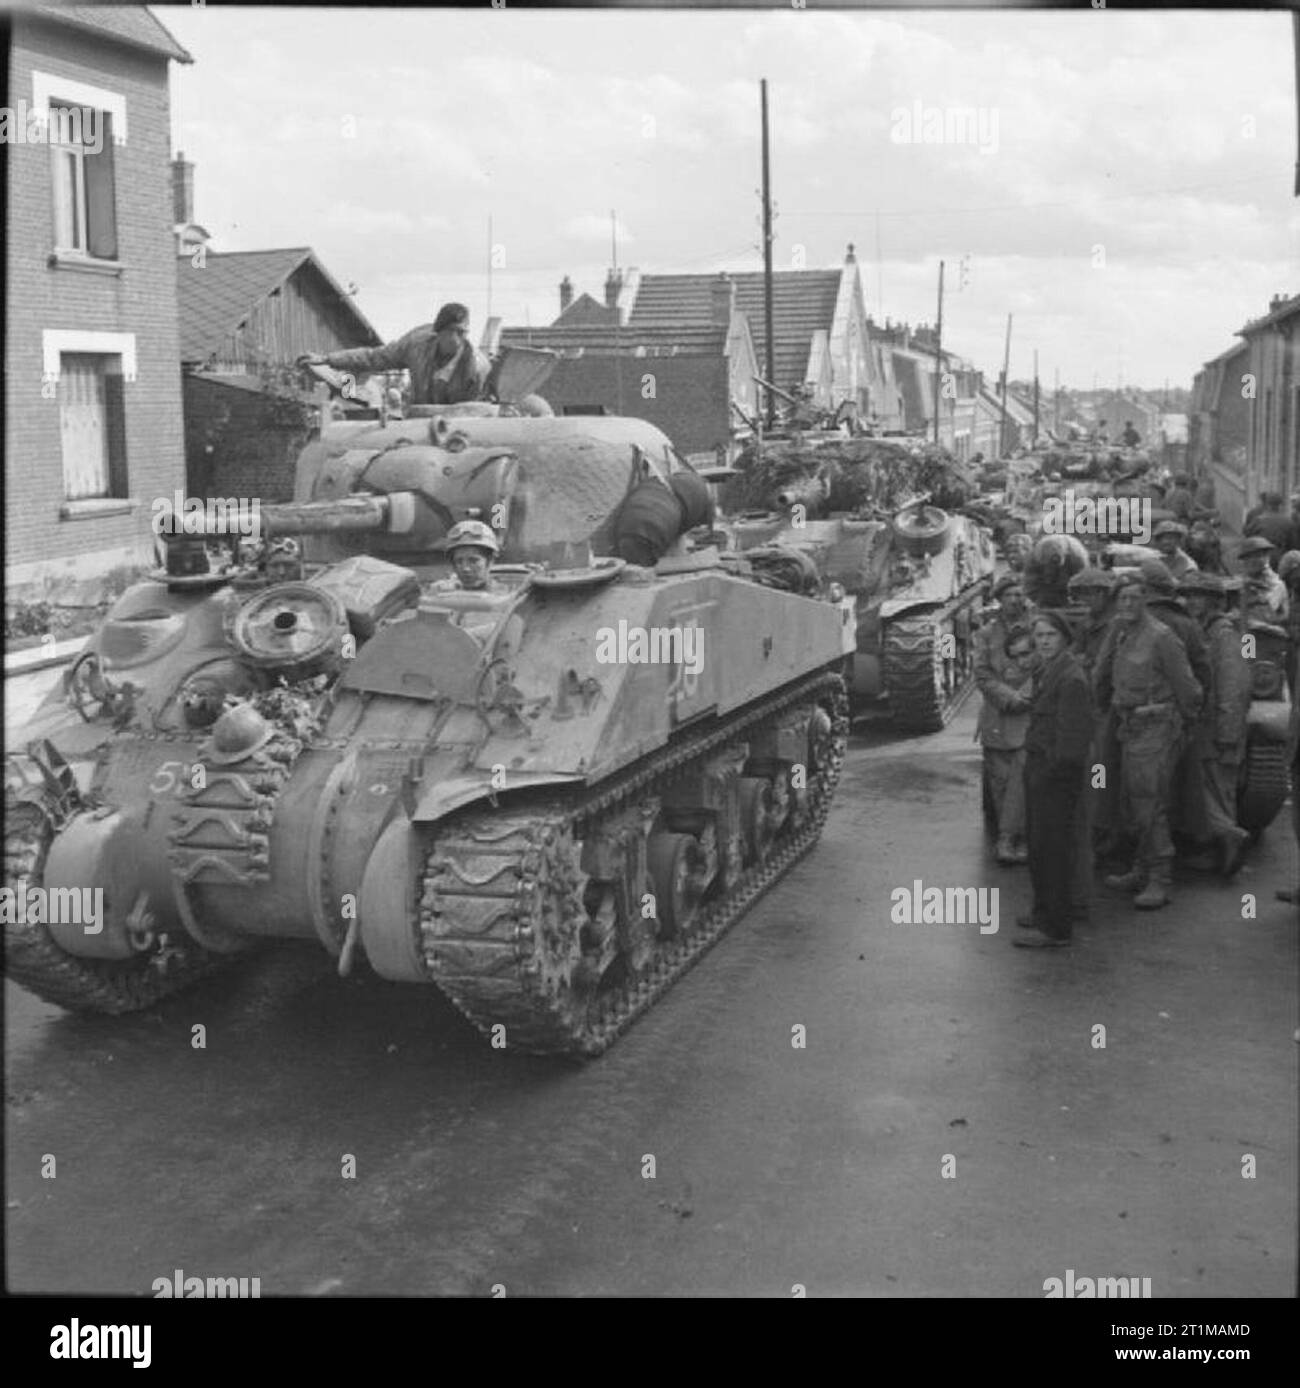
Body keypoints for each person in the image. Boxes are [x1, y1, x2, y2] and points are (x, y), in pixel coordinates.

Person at [1093, 572, 1203, 909]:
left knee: (1150, 803)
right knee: (1132, 801)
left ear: (1146, 601)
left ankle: (1160, 877)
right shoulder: (1122, 632)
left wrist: (1182, 723)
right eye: (1122, 599)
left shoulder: (1161, 637)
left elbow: (1188, 687)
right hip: (1129, 725)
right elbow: (1104, 674)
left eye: (1134, 598)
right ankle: (1141, 868)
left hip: (1155, 725)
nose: (1126, 605)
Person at [1014, 611, 1094, 949]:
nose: (1044, 641)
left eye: (1051, 635)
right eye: (1040, 636)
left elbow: (1072, 743)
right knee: (1040, 847)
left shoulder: (1071, 678)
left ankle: (1056, 927)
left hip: (1054, 776)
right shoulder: (1051, 670)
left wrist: (1050, 775)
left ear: (1064, 638)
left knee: (1053, 850)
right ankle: (1044, 909)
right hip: (1040, 770)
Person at [1178, 572, 1252, 876]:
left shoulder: (1223, 633)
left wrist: (1227, 732)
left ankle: (1229, 844)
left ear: (1214, 600)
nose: (1192, 601)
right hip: (1208, 725)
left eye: (1199, 595)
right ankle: (1216, 851)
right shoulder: (1204, 630)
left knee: (1220, 792)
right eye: (1189, 595)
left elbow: (1233, 686)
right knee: (1208, 789)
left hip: (1221, 727)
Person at [301, 302, 490, 406]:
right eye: (452, 332)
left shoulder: (476, 368)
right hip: (418, 420)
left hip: (460, 426)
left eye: (462, 332)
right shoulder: (416, 345)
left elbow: (470, 413)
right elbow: (374, 357)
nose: (457, 339)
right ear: (438, 332)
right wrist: (327, 359)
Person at [976, 626, 1035, 865]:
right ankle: (1011, 836)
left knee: (1099, 774)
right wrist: (948, 652)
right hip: (998, 721)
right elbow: (980, 672)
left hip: (1028, 730)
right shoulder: (987, 631)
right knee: (1000, 781)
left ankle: (1012, 836)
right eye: (1008, 594)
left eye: (1017, 594)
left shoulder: (1039, 627)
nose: (1014, 599)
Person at [434, 519, 504, 593]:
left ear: (490, 561)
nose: (465, 569)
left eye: (473, 561)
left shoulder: (506, 598)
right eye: (459, 561)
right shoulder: (443, 595)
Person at [1236, 536, 1289, 622]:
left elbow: (1266, 612)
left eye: (1258, 556)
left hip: (1266, 630)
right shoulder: (1240, 582)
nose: (1251, 561)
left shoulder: (1276, 584)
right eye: (1248, 557)